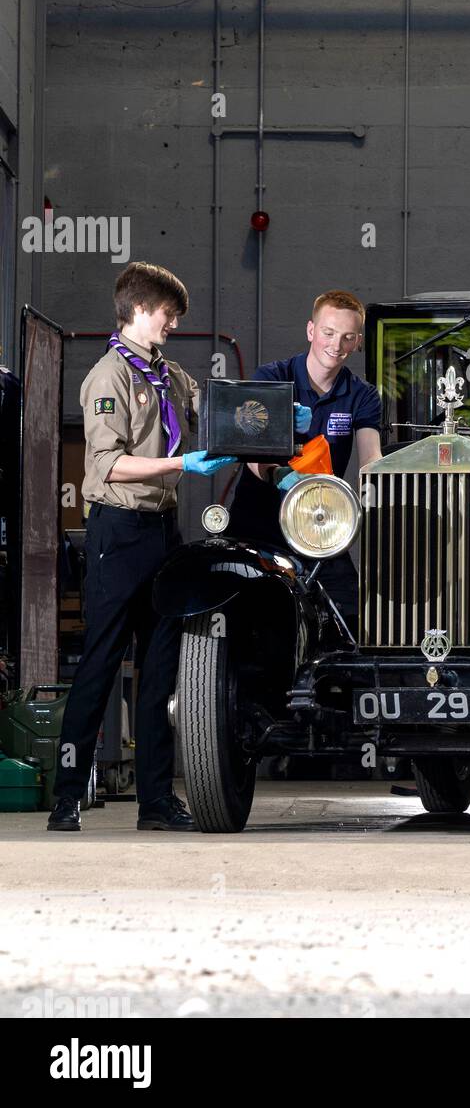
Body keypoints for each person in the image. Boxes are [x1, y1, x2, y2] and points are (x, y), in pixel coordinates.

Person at [48, 262, 236, 834]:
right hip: (118, 534)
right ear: (136, 311)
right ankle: (67, 797)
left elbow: (220, 414)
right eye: (166, 313)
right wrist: (181, 463)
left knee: (160, 671)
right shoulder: (110, 377)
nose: (173, 323)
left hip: (163, 530)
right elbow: (105, 464)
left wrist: (275, 417)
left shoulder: (170, 374)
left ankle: (156, 803)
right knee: (101, 664)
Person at [227, 290, 382, 630]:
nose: (336, 345)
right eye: (328, 333)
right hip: (261, 521)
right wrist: (281, 475)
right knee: (249, 620)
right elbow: (253, 451)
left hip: (319, 522)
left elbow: (371, 457)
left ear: (357, 342)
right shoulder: (271, 378)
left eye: (347, 337)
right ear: (311, 330)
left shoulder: (362, 395)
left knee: (352, 617)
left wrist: (369, 496)